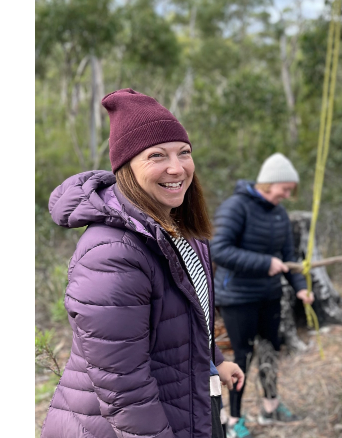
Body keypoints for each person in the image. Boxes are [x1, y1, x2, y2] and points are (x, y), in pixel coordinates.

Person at [41, 88, 245, 438]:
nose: (176, 167)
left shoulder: (180, 228)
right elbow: (123, 387)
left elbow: (185, 319)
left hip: (186, 402)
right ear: (126, 168)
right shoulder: (111, 252)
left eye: (184, 153)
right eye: (156, 156)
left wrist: (215, 361)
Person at [211, 152, 315, 435]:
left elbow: (289, 256)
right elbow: (219, 249)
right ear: (269, 183)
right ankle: (234, 421)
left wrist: (302, 288)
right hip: (236, 296)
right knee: (241, 357)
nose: (287, 194)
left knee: (270, 349)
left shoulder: (280, 213)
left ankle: (271, 407)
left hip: (269, 295)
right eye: (285, 188)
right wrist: (265, 263)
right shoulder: (236, 207)